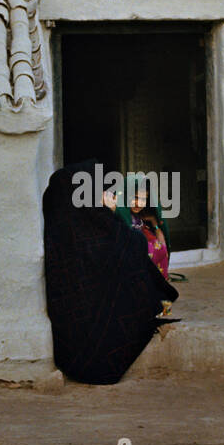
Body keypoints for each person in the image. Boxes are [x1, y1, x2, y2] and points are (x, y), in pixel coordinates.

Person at [42, 161, 179, 384]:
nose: (106, 195)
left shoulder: (60, 234)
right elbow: (134, 244)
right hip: (104, 353)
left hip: (70, 352)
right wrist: (113, 213)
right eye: (98, 191)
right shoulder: (106, 235)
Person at [114, 179, 171, 280]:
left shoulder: (139, 218)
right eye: (135, 197)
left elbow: (162, 245)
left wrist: (154, 222)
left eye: (144, 199)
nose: (139, 203)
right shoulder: (118, 214)